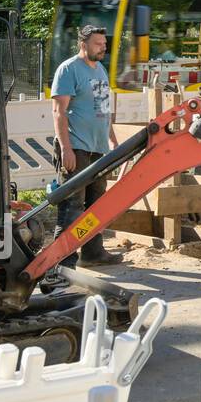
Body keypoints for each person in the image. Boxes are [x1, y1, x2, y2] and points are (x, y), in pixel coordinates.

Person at [50, 24, 121, 267]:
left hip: (99, 149)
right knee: (72, 204)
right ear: (83, 44)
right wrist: (66, 148)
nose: (103, 48)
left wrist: (112, 138)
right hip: (77, 147)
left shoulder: (100, 69)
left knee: (96, 205)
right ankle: (62, 259)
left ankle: (93, 252)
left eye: (104, 43)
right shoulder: (68, 69)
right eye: (98, 44)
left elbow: (103, 109)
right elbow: (59, 112)